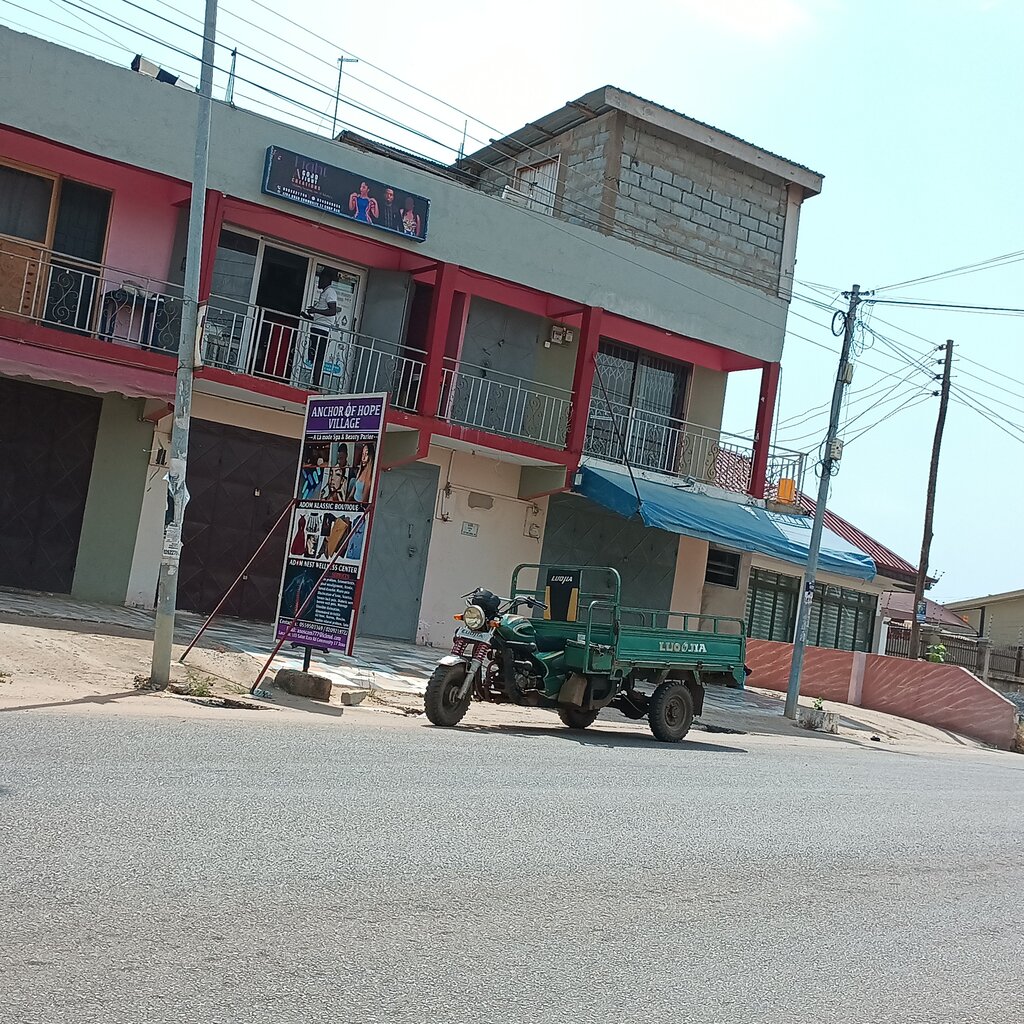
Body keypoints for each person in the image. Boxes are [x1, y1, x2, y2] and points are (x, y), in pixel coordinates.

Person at [301, 267, 340, 388]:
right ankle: (314, 382)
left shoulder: (330, 292)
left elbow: (332, 311)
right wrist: (308, 316)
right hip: (318, 327)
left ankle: (316, 384)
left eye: (321, 278)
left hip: (321, 331)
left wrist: (315, 310)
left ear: (327, 279)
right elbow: (321, 317)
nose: (319, 281)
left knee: (318, 357)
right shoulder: (325, 292)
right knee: (314, 356)